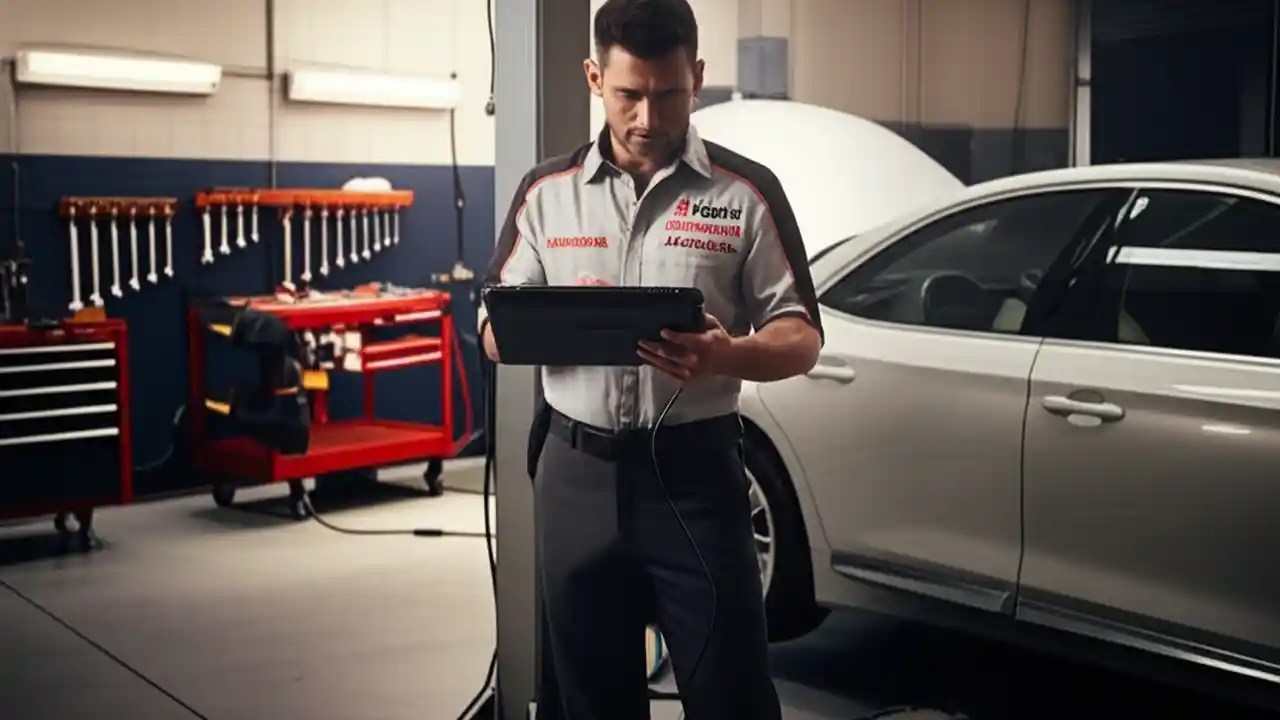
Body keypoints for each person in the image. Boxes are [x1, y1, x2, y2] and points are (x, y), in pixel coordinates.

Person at [477, 0, 823, 717]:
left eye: (668, 94)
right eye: (629, 94)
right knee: (589, 698)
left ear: (696, 77)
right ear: (593, 77)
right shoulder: (546, 195)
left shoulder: (745, 192)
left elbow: (801, 337)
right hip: (575, 475)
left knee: (730, 692)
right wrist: (569, 322)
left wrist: (729, 355)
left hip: (697, 479)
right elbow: (492, 328)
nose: (647, 118)